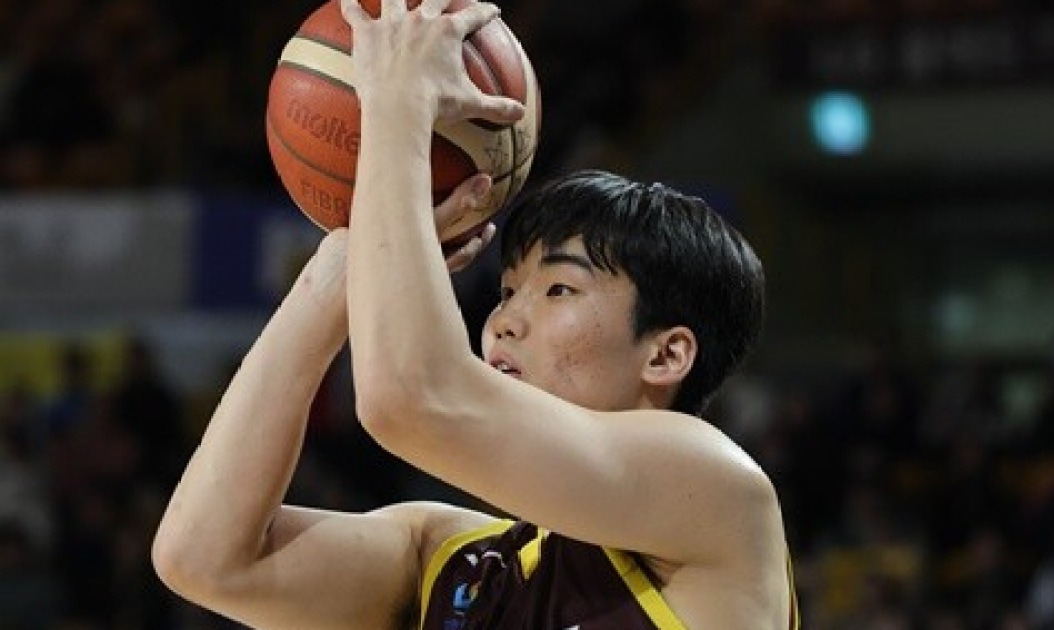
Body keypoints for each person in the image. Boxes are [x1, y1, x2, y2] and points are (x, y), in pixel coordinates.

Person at [151, 0, 796, 628]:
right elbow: (205, 559)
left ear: (665, 354)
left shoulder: (718, 495)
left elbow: (412, 398)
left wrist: (399, 112)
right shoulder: (449, 560)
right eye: (508, 292)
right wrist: (335, 278)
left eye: (559, 291)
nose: (504, 321)